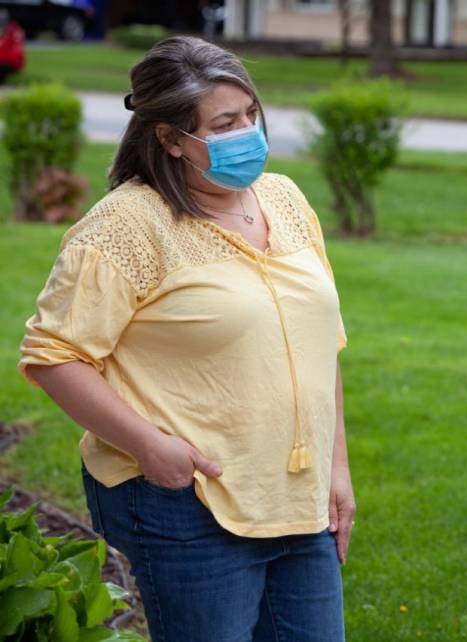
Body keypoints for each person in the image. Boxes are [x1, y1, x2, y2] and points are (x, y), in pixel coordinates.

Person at [19, 36, 354, 642]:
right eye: (225, 123)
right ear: (170, 138)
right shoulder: (127, 226)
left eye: (251, 114)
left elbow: (318, 343)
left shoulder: (284, 197)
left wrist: (337, 470)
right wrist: (150, 447)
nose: (248, 132)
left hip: (298, 500)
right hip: (190, 502)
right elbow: (53, 356)